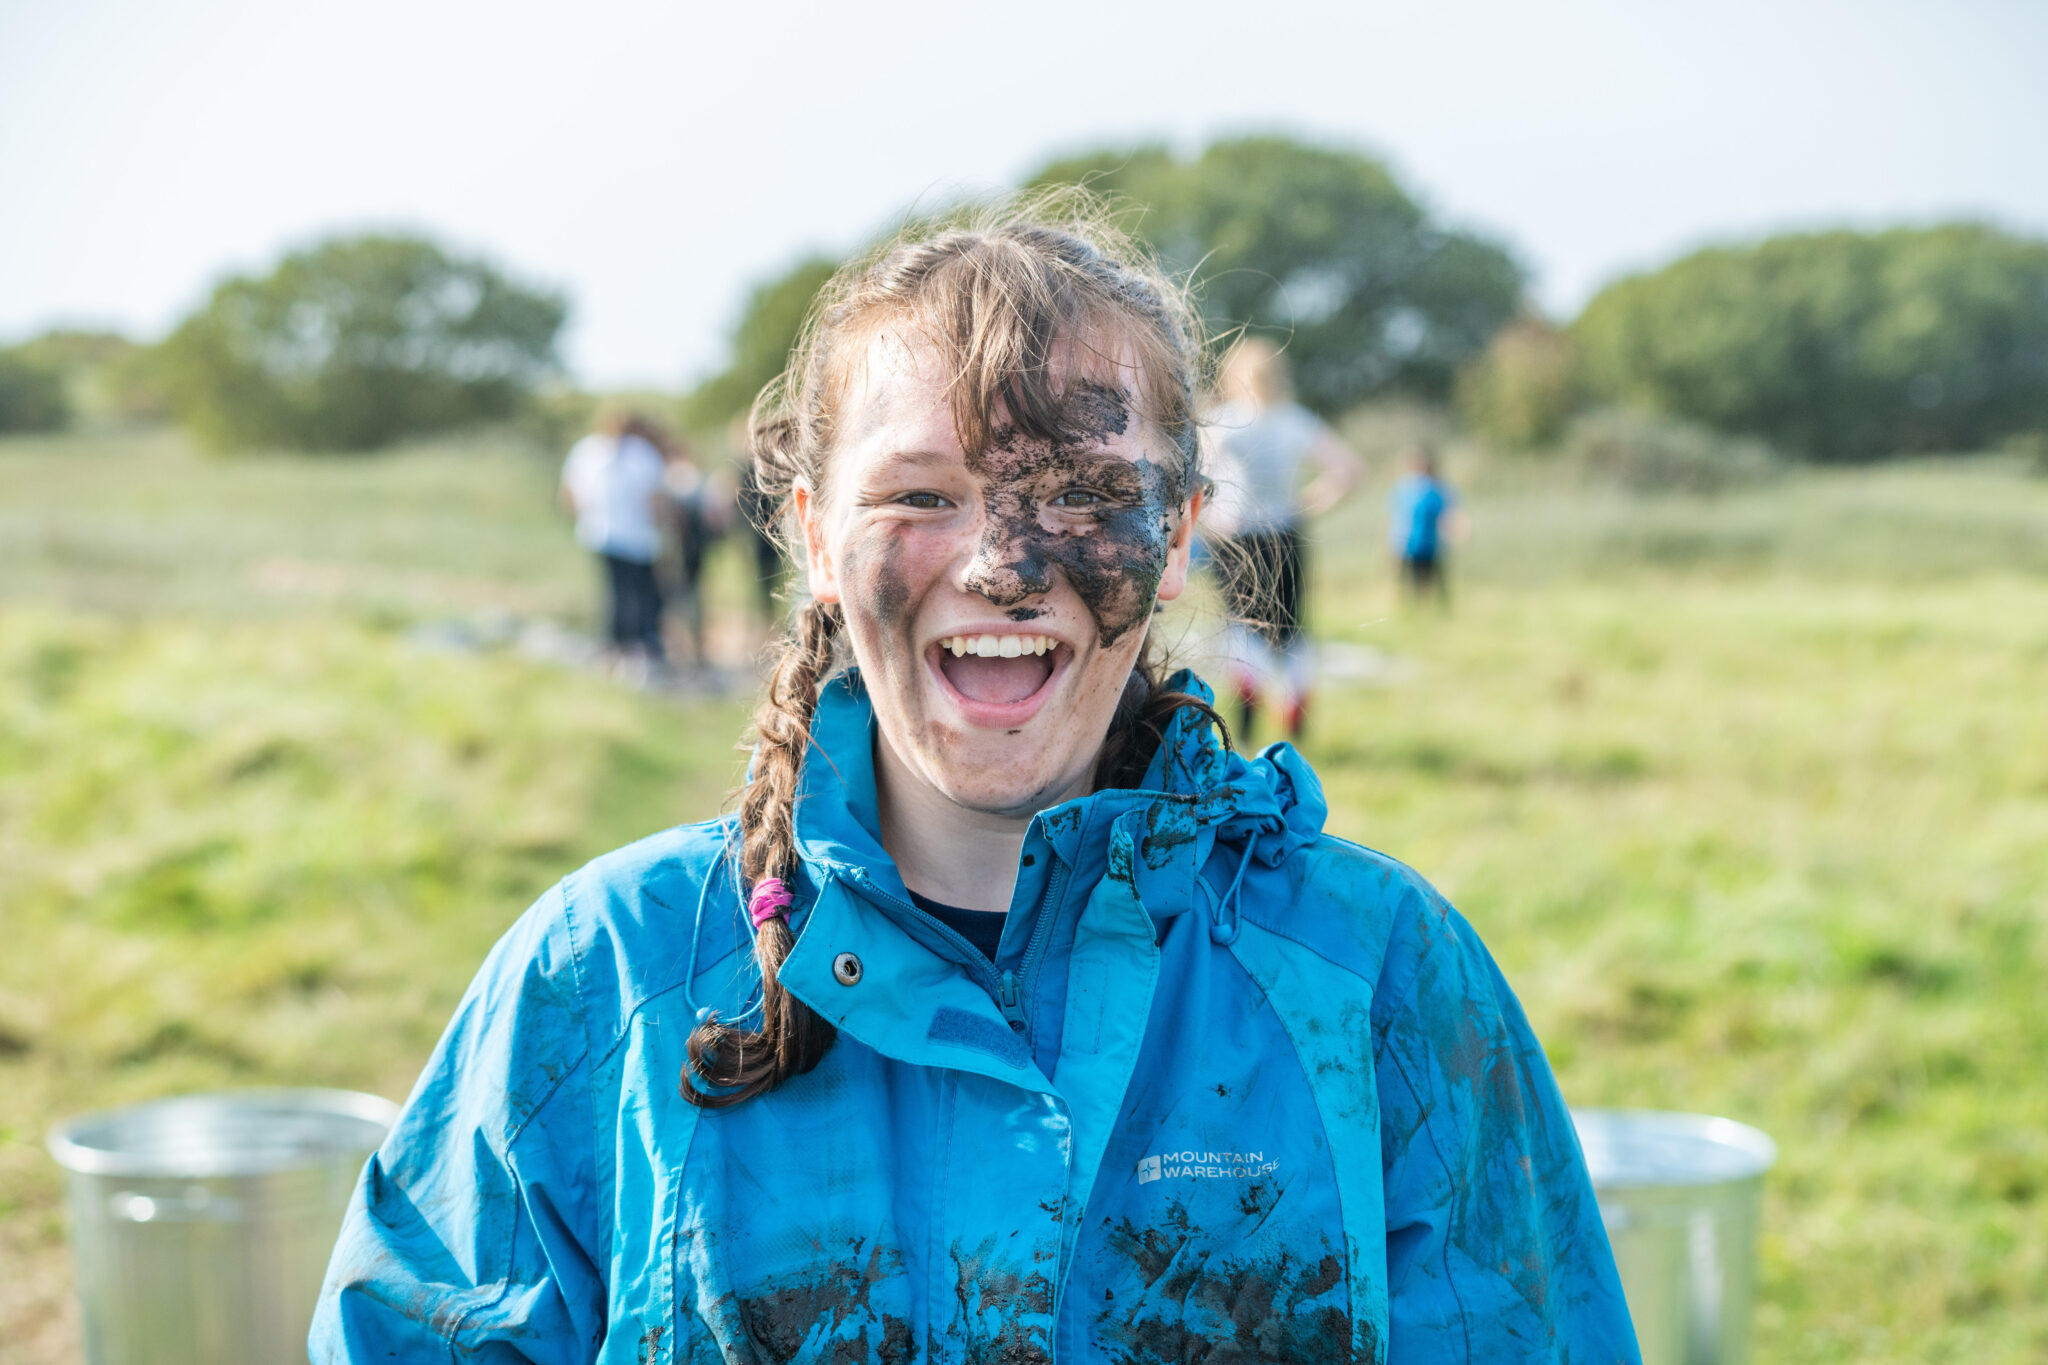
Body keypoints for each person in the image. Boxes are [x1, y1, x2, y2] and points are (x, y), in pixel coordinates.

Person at [313, 199, 1638, 1363]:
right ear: (815, 536)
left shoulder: (1378, 978)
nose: (1003, 568)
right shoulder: (600, 979)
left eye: (1077, 490)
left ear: (1179, 536)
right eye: (922, 495)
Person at [1201, 336, 1364, 742]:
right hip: (1287, 532)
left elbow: (1192, 475)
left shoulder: (1224, 421)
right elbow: (1349, 469)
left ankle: (1249, 713)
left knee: (1243, 625)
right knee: (1291, 627)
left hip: (1239, 537)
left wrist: (1209, 515)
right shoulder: (1295, 420)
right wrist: (1309, 504)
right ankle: (1296, 707)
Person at [559, 409, 670, 675]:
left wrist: (582, 516)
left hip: (600, 532)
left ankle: (618, 646)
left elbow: (570, 493)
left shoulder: (587, 450)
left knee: (615, 592)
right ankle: (638, 648)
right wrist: (665, 529)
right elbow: (654, 499)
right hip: (637, 537)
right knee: (639, 593)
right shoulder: (643, 453)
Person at [1387, 442, 1463, 608]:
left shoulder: (1436, 488)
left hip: (1430, 545)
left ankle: (1433, 613)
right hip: (1407, 545)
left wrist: (1456, 533)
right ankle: (1415, 613)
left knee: (1432, 583)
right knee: (1408, 585)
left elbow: (1449, 515)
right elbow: (1394, 519)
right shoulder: (1402, 488)